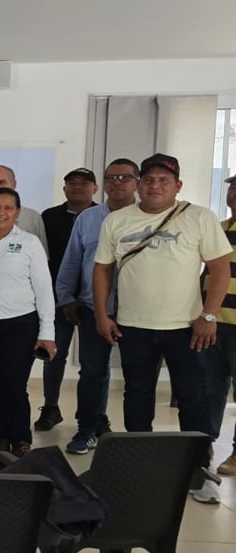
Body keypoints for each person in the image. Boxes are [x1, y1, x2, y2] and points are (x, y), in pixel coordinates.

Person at [94, 153, 230, 503]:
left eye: (163, 180)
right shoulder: (117, 221)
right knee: (137, 396)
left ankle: (196, 471)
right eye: (149, 179)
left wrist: (209, 315)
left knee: (194, 398)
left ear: (177, 186)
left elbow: (219, 268)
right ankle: (140, 464)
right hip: (133, 326)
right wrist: (101, 315)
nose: (155, 185)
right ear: (138, 184)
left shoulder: (199, 217)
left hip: (187, 327)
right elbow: (102, 269)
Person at [0, 188, 56, 466]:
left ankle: (21, 442)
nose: (1, 213)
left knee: (14, 385)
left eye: (8, 207)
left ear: (17, 212)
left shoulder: (29, 244)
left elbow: (43, 290)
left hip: (20, 324)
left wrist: (47, 333)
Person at [55, 160, 136, 454]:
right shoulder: (88, 219)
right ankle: (87, 429)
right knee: (92, 371)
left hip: (138, 312)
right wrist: (65, 296)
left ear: (136, 182)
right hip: (94, 308)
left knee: (137, 376)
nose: (117, 182)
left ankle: (138, 439)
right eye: (111, 177)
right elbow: (73, 260)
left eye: (124, 177)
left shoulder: (147, 218)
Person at [32, 167, 98, 433]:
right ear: (64, 188)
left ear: (95, 188)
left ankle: (94, 413)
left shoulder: (103, 216)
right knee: (54, 355)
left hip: (96, 298)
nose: (77, 187)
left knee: (94, 362)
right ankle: (50, 406)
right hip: (58, 298)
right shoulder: (50, 217)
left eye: (84, 183)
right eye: (72, 183)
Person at [209, 173, 236, 477]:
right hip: (213, 323)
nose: (235, 192)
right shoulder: (218, 229)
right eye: (233, 187)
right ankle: (204, 444)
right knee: (209, 389)